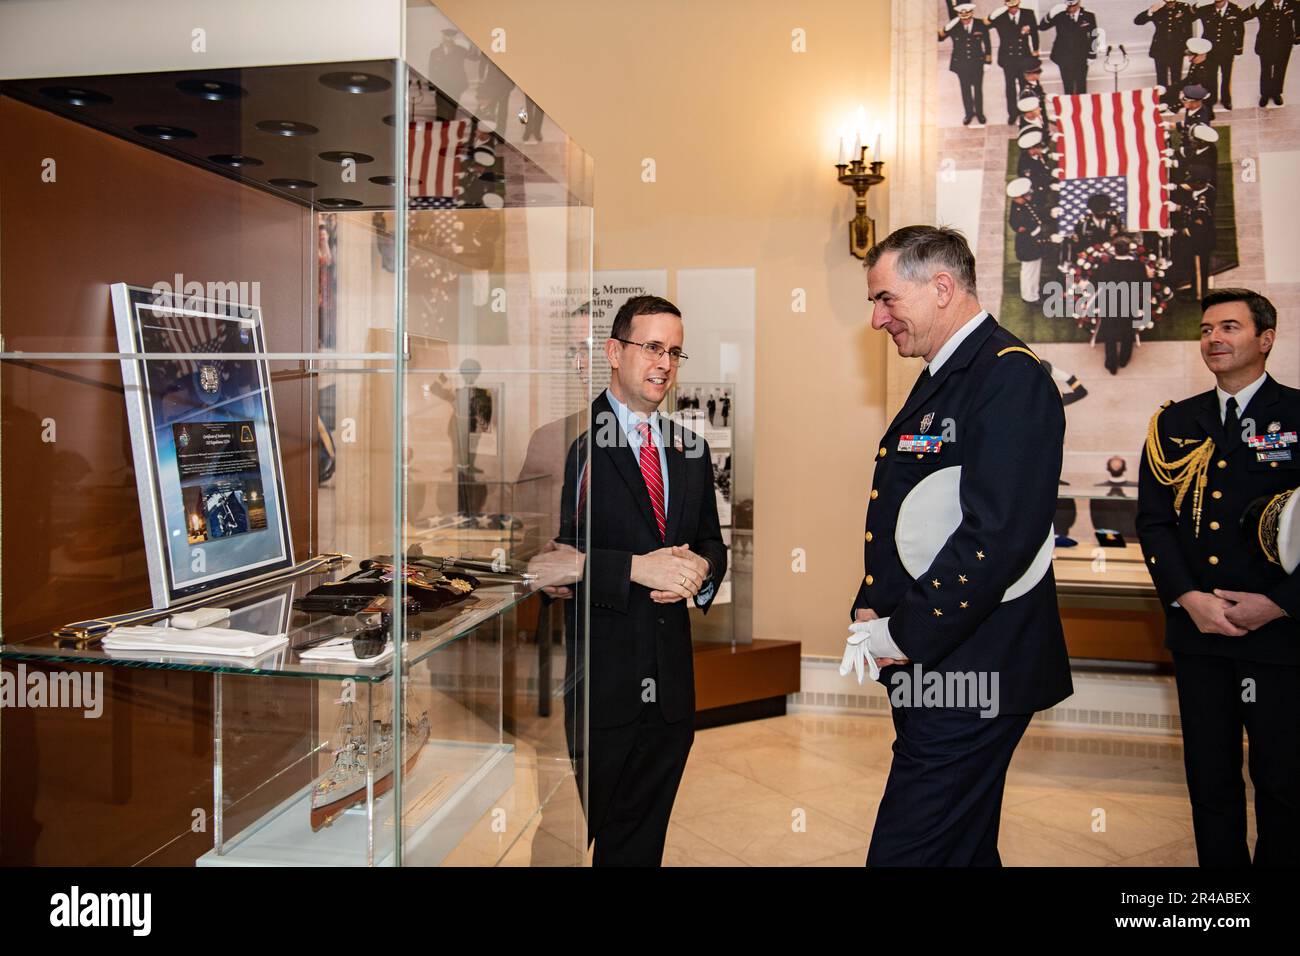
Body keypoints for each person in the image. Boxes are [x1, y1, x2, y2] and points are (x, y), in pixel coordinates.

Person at [842, 226, 1073, 866]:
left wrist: (903, 632)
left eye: (887, 299)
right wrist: (874, 606)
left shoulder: (1008, 377)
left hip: (974, 667)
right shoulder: (948, 372)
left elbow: (996, 536)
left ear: (941, 288)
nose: (876, 320)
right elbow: (918, 515)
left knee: (906, 854)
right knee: (961, 849)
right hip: (944, 660)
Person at [540, 294, 727, 866]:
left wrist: (700, 575)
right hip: (598, 691)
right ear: (614, 352)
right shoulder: (568, 442)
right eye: (652, 347)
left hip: (669, 694)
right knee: (563, 845)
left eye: (674, 351)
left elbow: (711, 545)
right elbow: (543, 563)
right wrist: (636, 569)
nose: (665, 363)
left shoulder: (690, 449)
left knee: (639, 849)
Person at [1136, 288, 1300, 866]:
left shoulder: (1298, 415)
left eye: (1229, 327)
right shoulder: (1175, 422)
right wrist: (1188, 599)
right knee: (1210, 778)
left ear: (1266, 339)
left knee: (1283, 780)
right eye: (1206, 330)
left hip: (1281, 635)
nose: (1214, 339)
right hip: (1199, 633)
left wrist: (1279, 604)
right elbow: (1154, 524)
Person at [1090, 237, 1148, 374]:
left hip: (1109, 302)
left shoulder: (1105, 266)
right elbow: (1144, 285)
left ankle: (1111, 363)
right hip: (1130, 303)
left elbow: (1095, 283)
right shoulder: (1138, 266)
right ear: (1129, 249)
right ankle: (1124, 358)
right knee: (1128, 331)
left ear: (1114, 250)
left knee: (1109, 333)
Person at [986, 1, 1041, 124]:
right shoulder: (1000, 17)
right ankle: (1012, 113)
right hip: (1008, 58)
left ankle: (1025, 111)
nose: (1014, 9)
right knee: (1010, 87)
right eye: (1011, 7)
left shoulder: (1028, 14)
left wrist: (1036, 50)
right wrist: (991, 16)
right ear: (1006, 5)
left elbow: (1034, 33)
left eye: (1015, 6)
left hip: (1024, 57)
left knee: (1024, 86)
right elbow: (985, 26)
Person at [1135, 2, 1196, 109]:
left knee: (1176, 77)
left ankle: (1174, 101)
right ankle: (1163, 101)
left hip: (1177, 49)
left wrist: (1189, 47)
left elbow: (1189, 26)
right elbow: (1138, 21)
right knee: (1161, 77)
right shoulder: (1158, 8)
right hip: (1160, 49)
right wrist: (1150, 11)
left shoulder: (1184, 8)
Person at [940, 3, 993, 126]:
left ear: (971, 15)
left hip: (977, 63)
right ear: (959, 16)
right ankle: (969, 113)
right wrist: (946, 28)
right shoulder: (954, 26)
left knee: (978, 89)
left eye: (967, 18)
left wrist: (988, 61)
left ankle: (980, 113)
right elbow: (939, 37)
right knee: (965, 90)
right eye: (963, 18)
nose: (965, 21)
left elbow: (987, 44)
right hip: (961, 64)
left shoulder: (980, 25)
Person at [1244, 0, 1300, 107]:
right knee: (1266, 69)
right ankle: (1265, 94)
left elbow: (1298, 19)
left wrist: (1297, 38)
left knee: (1280, 68)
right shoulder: (1262, 4)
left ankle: (1276, 93)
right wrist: (1256, 5)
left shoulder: (1293, 4)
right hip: (1266, 43)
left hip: (1284, 43)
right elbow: (1243, 16)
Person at [1039, 0, 1099, 95]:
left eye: (1073, 6)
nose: (1071, 8)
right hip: (1064, 57)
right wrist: (1050, 14)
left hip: (1081, 57)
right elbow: (1042, 27)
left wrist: (1092, 55)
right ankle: (1069, 108)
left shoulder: (1089, 16)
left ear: (1079, 3)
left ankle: (1081, 108)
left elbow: (1094, 36)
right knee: (1068, 86)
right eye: (1069, 6)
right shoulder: (1060, 16)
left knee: (1081, 86)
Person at [1196, 0, 1247, 110]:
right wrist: (1196, 4)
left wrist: (1238, 49)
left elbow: (1240, 30)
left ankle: (1226, 99)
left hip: (1227, 50)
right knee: (1211, 75)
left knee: (1226, 75)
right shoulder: (1205, 9)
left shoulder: (1235, 10)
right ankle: (1212, 98)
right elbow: (1190, 16)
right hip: (1210, 50)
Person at [1008, 177, 1048, 302]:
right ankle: (1029, 296)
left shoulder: (1023, 205)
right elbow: (1025, 227)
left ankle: (1033, 292)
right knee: (1029, 272)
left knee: (1033, 271)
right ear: (1019, 197)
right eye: (1026, 195)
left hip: (1032, 245)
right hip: (1027, 246)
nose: (1029, 196)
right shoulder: (1018, 211)